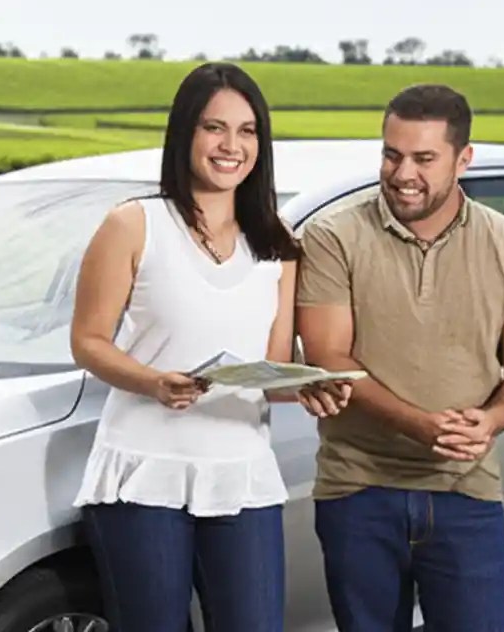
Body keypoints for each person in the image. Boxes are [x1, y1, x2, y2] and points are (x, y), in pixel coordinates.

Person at [69, 61, 348, 632]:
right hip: (144, 470)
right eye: (214, 127)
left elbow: (269, 367)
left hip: (240, 470)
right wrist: (152, 381)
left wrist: (309, 387)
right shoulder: (134, 224)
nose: (231, 145)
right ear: (185, 134)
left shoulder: (278, 246)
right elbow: (88, 340)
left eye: (247, 131)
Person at [294, 83, 504, 631]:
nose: (402, 172)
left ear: (464, 159)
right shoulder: (332, 237)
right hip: (357, 489)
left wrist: (491, 419)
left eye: (423, 158)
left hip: (467, 490)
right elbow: (327, 353)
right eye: (392, 154)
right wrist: (419, 426)